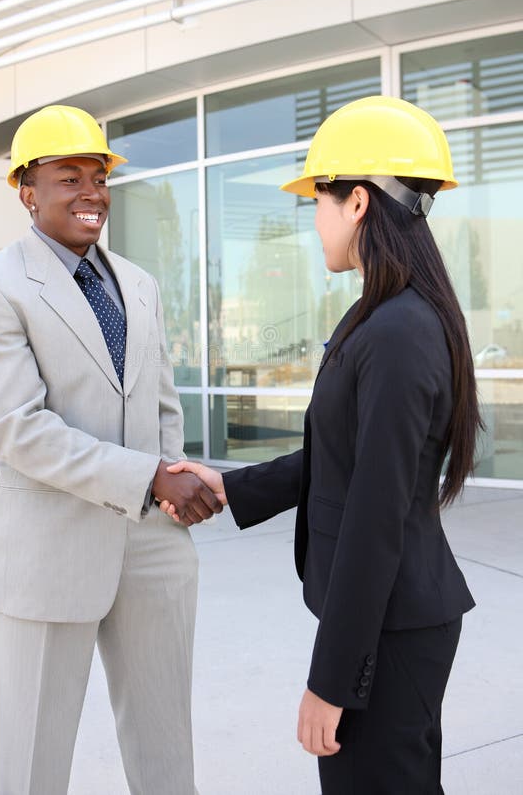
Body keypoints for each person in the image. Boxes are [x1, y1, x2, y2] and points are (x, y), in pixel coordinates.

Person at [159, 96, 480, 793]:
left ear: (357, 203)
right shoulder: (389, 316)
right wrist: (232, 486)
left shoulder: (397, 331)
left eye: (318, 199)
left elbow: (376, 517)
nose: (315, 220)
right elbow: (346, 456)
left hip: (388, 638)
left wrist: (331, 684)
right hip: (394, 626)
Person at [0, 104, 221, 795]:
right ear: (26, 191)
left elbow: (161, 404)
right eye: (68, 177)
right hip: (49, 549)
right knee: (33, 759)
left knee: (167, 749)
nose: (91, 192)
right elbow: (19, 428)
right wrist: (151, 475)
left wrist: (171, 482)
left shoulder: (138, 283)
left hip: (152, 546)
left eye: (99, 176)